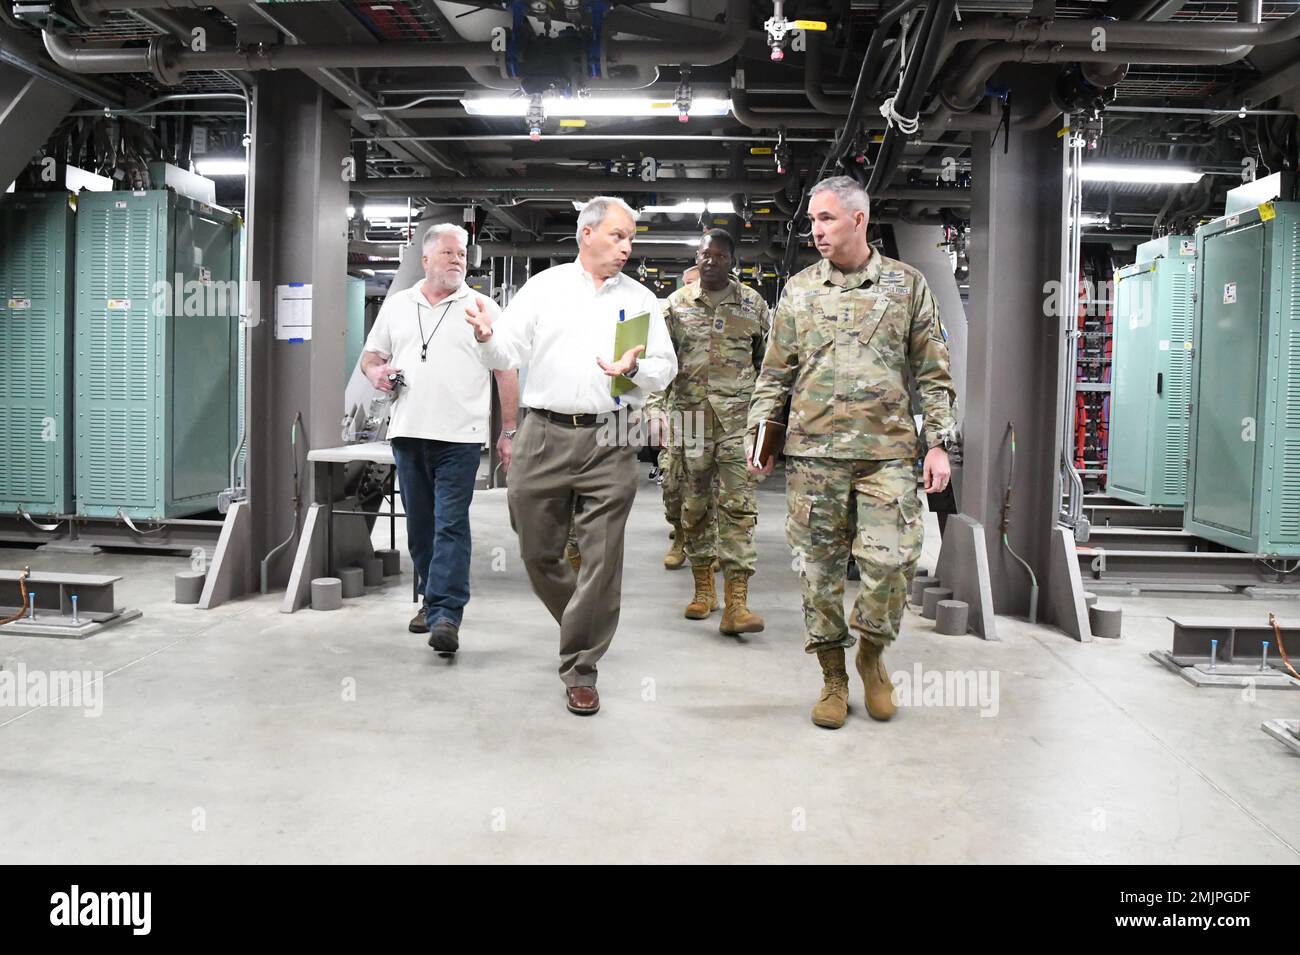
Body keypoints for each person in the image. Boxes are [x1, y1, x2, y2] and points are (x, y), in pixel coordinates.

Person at [747, 176, 956, 729]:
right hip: (813, 456)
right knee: (817, 574)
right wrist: (761, 434)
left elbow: (933, 372)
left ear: (859, 220)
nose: (815, 230)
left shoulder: (906, 286)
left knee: (892, 561)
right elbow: (774, 374)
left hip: (887, 453)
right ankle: (833, 677)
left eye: (827, 219)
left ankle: (871, 653)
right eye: (812, 220)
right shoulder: (798, 290)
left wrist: (938, 444)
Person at [465, 196, 677, 716]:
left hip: (611, 435)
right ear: (586, 234)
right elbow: (506, 351)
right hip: (543, 432)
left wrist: (636, 367)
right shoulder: (545, 288)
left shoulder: (642, 300)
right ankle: (581, 620)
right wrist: (487, 337)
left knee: (602, 558)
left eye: (631, 238)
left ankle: (581, 666)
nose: (627, 247)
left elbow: (666, 367)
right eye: (617, 236)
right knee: (537, 551)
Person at [361, 223, 518, 654]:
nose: (457, 260)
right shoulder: (397, 306)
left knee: (451, 524)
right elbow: (370, 357)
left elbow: (506, 369)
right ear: (425, 259)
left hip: (459, 438)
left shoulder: (483, 306)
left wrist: (509, 431)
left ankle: (447, 614)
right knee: (422, 526)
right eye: (448, 253)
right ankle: (431, 602)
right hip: (408, 433)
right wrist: (376, 372)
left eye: (462, 255)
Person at [660, 229, 768, 633]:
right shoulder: (675, 306)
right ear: (697, 257)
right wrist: (657, 414)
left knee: (738, 508)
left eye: (720, 255)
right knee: (694, 506)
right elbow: (661, 365)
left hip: (737, 423)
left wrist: (766, 422)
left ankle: (736, 604)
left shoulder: (753, 305)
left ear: (731, 261)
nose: (711, 260)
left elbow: (767, 365)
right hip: (689, 421)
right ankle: (704, 589)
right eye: (706, 254)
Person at [644, 264, 699, 570]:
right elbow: (657, 373)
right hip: (678, 418)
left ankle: (708, 544)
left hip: (718, 420)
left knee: (713, 491)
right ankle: (680, 536)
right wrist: (655, 413)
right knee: (674, 486)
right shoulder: (669, 318)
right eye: (687, 284)